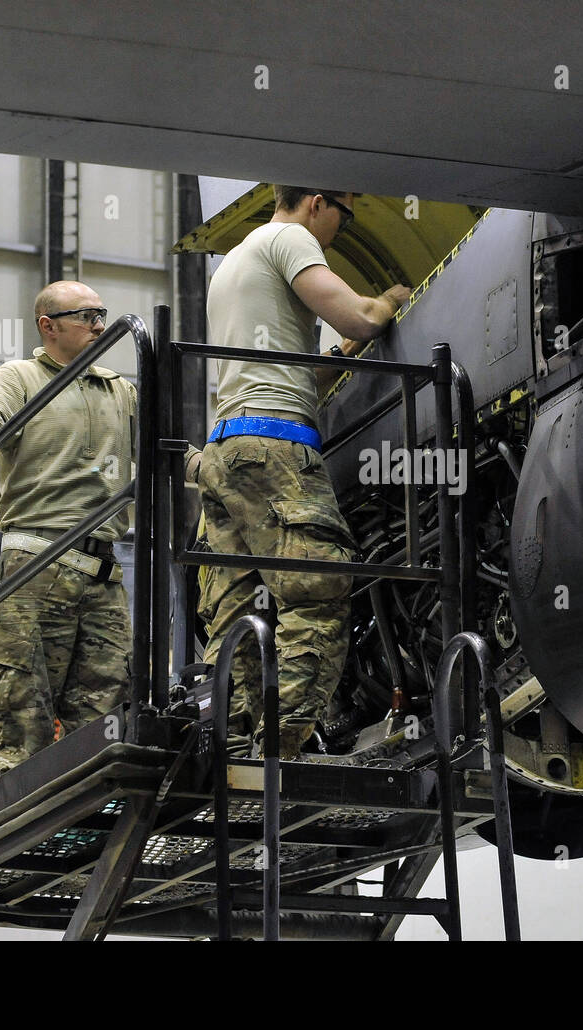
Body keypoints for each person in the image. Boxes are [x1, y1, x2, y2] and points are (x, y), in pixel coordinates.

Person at [0, 280, 199, 784]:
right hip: (35, 566)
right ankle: (17, 828)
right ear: (49, 326)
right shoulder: (20, 376)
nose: (98, 326)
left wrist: (223, 470)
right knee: (24, 713)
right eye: (85, 316)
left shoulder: (120, 391)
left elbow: (168, 451)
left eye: (101, 314)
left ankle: (97, 812)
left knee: (106, 717)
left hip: (103, 574)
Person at [198, 186, 411, 760]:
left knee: (235, 610)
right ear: (317, 203)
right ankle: (281, 746)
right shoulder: (290, 238)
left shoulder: (234, 262)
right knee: (318, 591)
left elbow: (280, 375)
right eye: (345, 213)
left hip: (226, 450)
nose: (344, 226)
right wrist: (394, 295)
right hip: (277, 449)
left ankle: (233, 741)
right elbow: (364, 318)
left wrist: (334, 359)